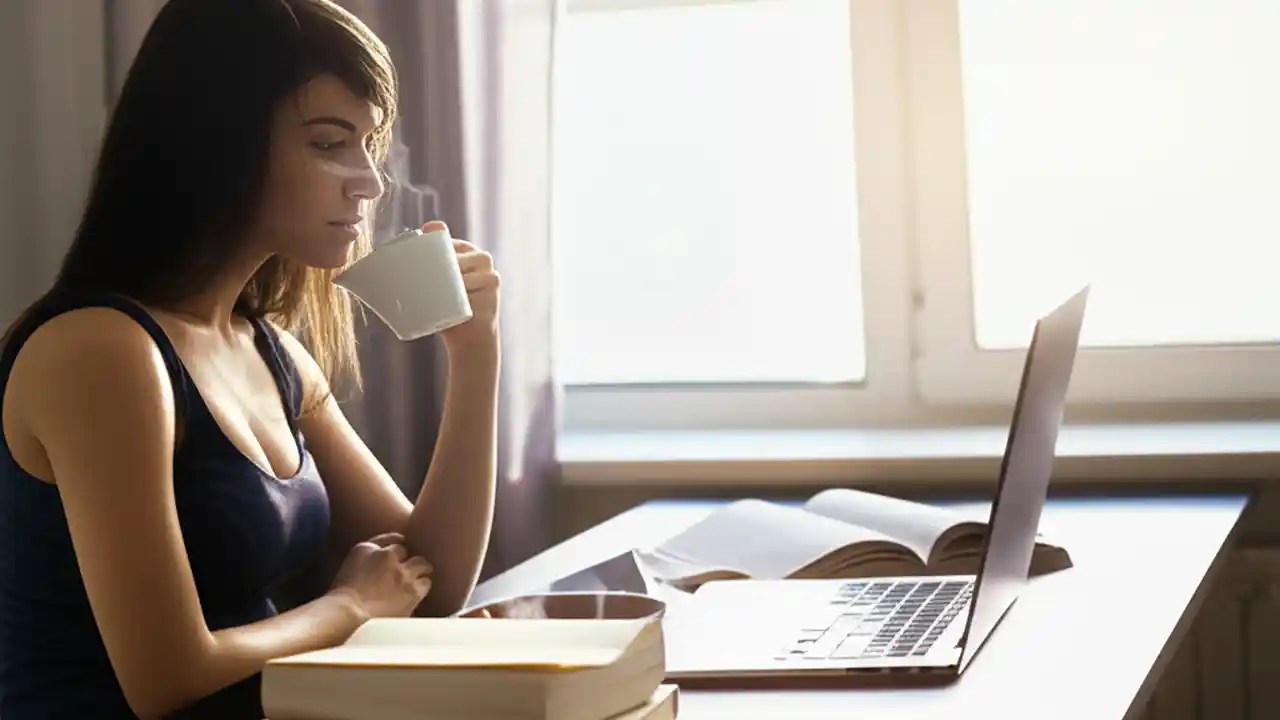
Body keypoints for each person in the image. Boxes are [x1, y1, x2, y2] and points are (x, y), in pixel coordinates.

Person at [0, 0, 501, 717]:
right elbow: (166, 677)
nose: (369, 180)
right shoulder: (101, 353)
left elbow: (433, 585)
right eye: (331, 143)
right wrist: (351, 606)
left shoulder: (271, 353)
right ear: (215, 141)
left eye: (369, 144)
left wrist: (476, 355)